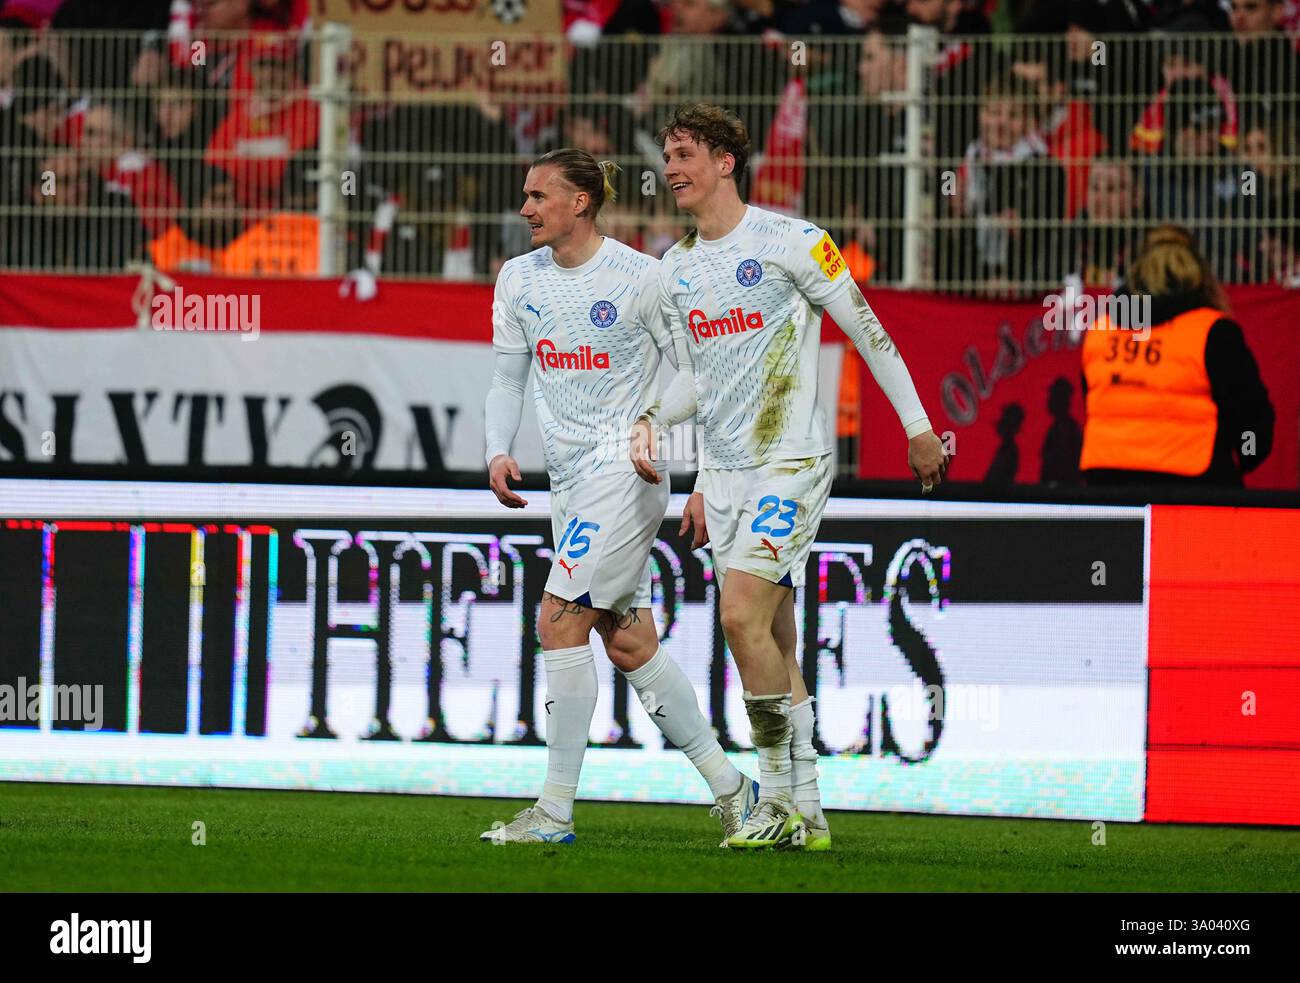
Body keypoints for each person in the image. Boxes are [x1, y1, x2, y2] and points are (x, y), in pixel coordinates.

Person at [631, 103, 946, 849]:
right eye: (668, 156)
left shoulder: (795, 241)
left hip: (792, 461)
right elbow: (702, 377)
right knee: (773, 636)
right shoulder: (676, 269)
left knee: (739, 617)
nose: (671, 168)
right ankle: (810, 812)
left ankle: (772, 801)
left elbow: (869, 330)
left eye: (684, 154)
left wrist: (918, 426)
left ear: (725, 162)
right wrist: (657, 425)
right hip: (727, 475)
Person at [481, 148, 759, 846]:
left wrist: (702, 476)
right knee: (629, 642)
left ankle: (553, 812)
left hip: (625, 476)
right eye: (526, 195)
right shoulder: (518, 279)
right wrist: (497, 448)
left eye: (539, 195)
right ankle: (735, 790)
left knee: (557, 622)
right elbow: (508, 378)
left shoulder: (642, 278)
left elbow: (699, 374)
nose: (525, 208)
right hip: (569, 484)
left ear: (581, 201)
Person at [1080, 225, 1274, 486]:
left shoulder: (1101, 329)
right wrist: (1245, 457)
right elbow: (1250, 416)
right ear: (1200, 273)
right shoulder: (1213, 332)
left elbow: (1092, 400)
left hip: (1106, 482)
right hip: (1194, 482)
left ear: (1136, 271)